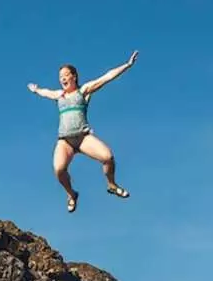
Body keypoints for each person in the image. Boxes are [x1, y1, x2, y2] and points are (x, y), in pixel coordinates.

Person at [27, 51, 136, 213]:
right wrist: (36, 90)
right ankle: (71, 194)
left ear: (74, 76)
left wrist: (127, 65)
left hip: (83, 138)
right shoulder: (59, 94)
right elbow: (46, 92)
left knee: (108, 157)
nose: (62, 78)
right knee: (59, 170)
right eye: (60, 76)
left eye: (65, 75)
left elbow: (106, 78)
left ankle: (112, 185)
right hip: (65, 141)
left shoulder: (84, 91)